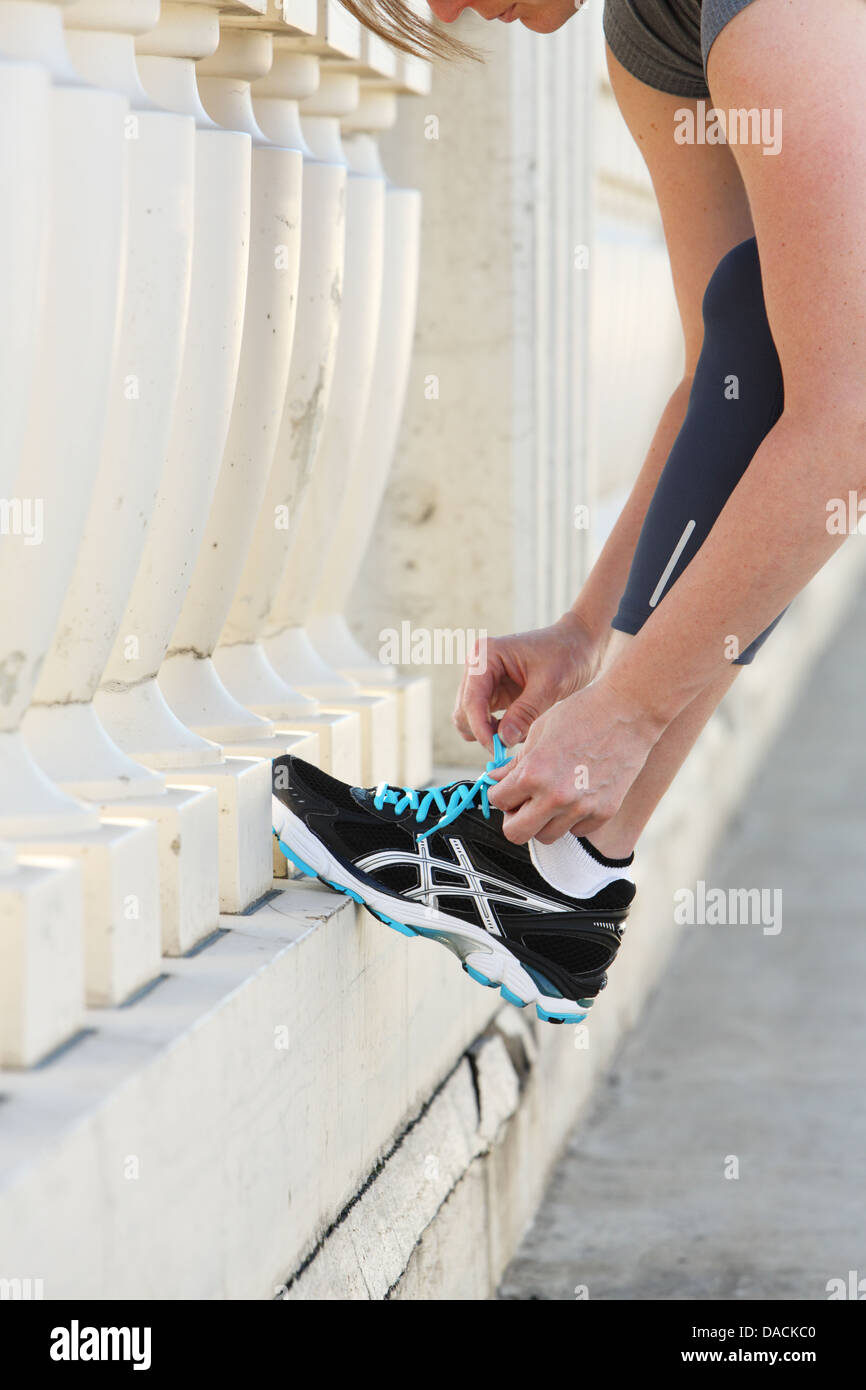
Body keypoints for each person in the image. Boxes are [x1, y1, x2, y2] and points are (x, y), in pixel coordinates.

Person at [273, 0, 866, 1023]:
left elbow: (848, 421)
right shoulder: (651, 35)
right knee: (757, 331)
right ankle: (554, 881)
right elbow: (730, 381)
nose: (450, 10)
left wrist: (629, 710)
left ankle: (552, 877)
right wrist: (586, 634)